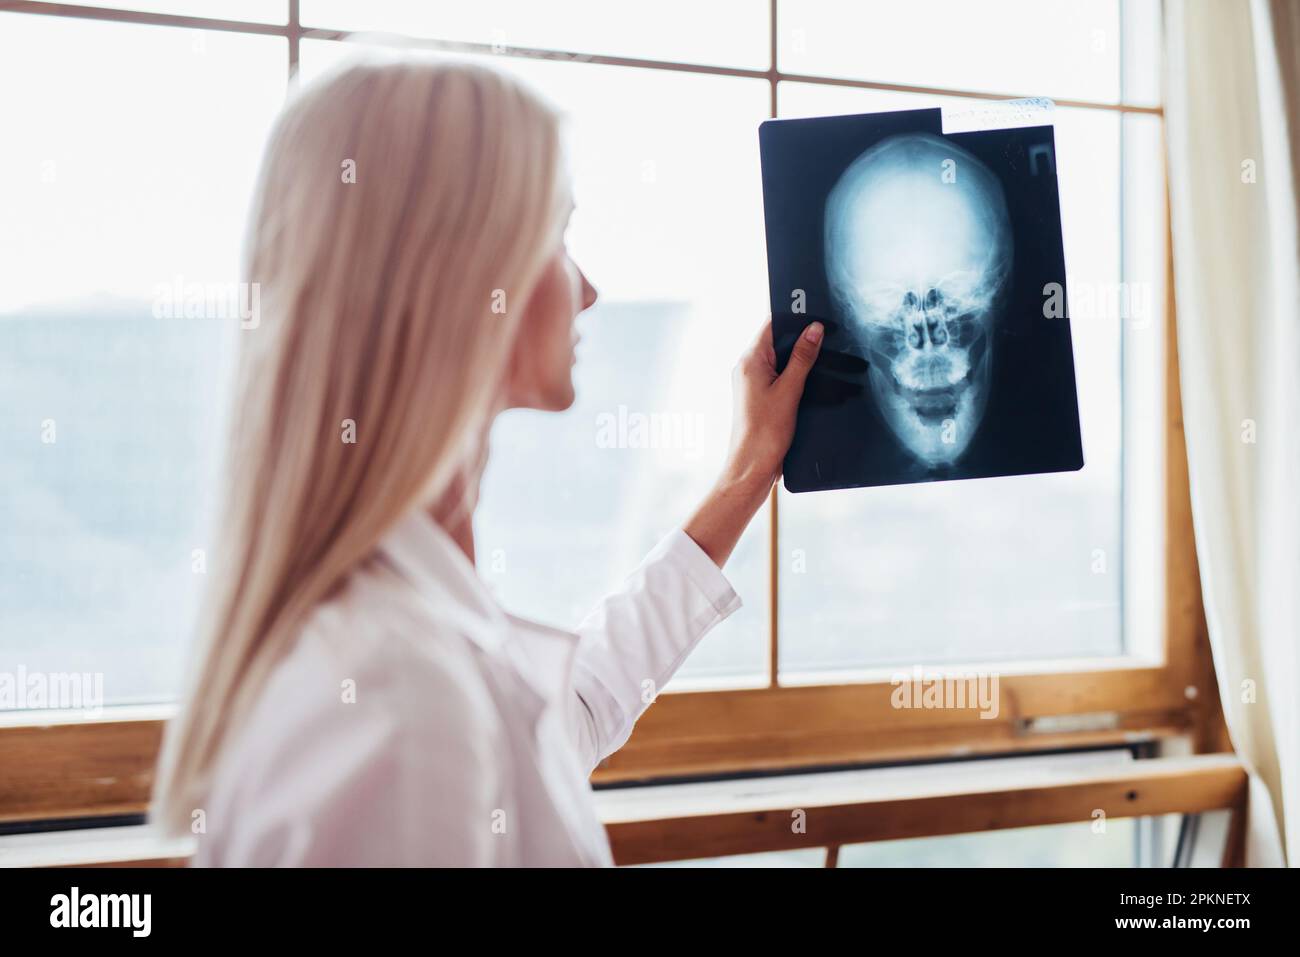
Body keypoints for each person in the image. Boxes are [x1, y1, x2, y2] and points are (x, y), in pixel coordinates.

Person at [151, 53, 823, 866]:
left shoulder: (409, 638)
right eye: (557, 234)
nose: (588, 291)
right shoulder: (394, 706)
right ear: (460, 275)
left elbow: (559, 720)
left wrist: (748, 470)